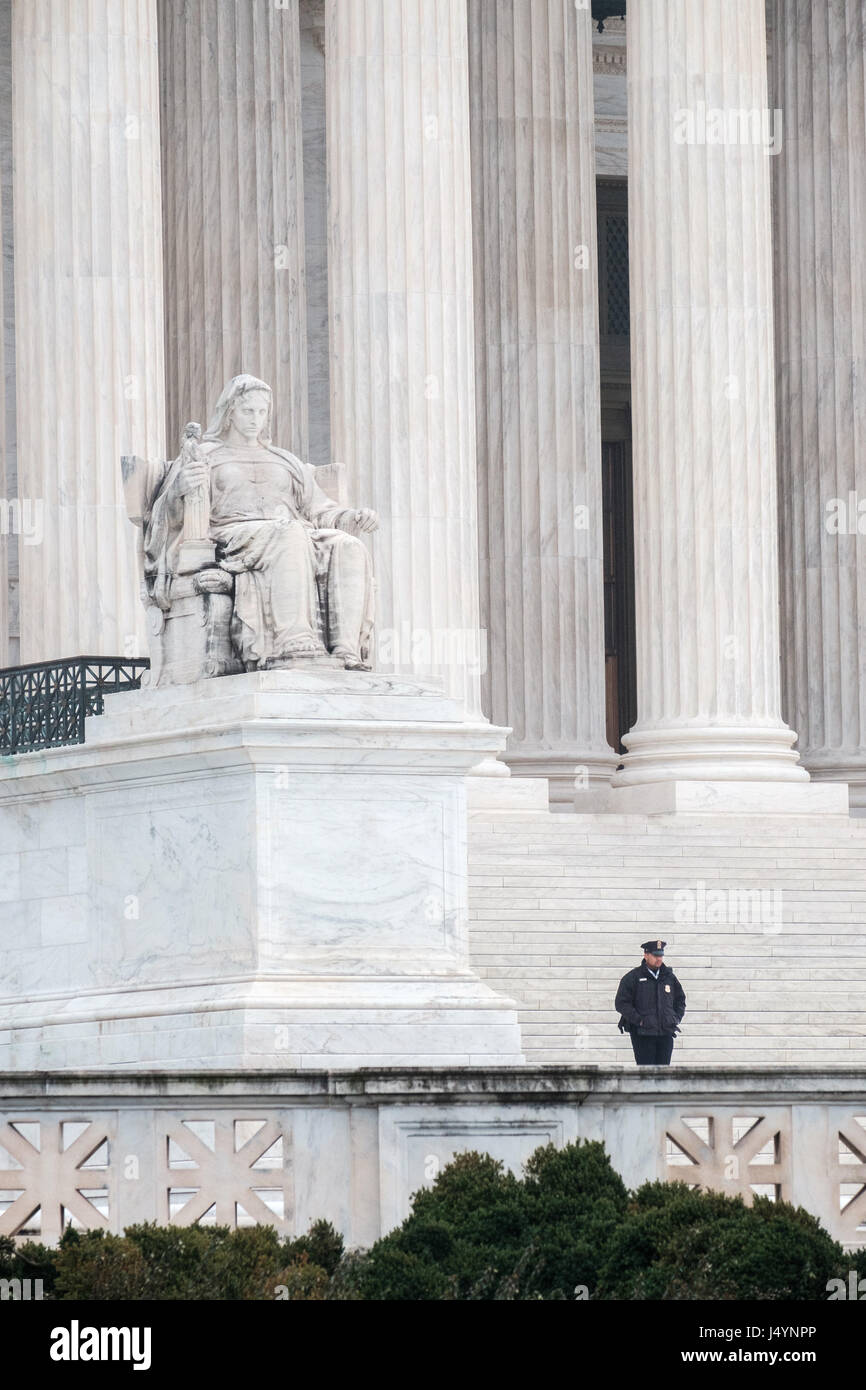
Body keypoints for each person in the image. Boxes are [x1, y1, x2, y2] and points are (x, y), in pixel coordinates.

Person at [143, 374, 378, 671]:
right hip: (231, 538)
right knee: (288, 533)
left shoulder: (286, 460)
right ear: (230, 413)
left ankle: (346, 649)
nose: (256, 419)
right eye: (247, 411)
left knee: (348, 546)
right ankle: (295, 639)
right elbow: (164, 517)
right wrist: (180, 489)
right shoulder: (204, 455)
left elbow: (319, 511)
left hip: (288, 534)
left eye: (262, 412)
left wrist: (352, 518)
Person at [615, 939, 686, 1066]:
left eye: (661, 955)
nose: (659, 959)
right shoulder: (633, 977)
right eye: (655, 955)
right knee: (646, 1074)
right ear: (646, 955)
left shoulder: (669, 977)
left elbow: (680, 1000)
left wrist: (675, 1019)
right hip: (643, 1034)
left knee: (664, 1074)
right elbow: (621, 1003)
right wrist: (639, 1020)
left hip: (665, 1033)